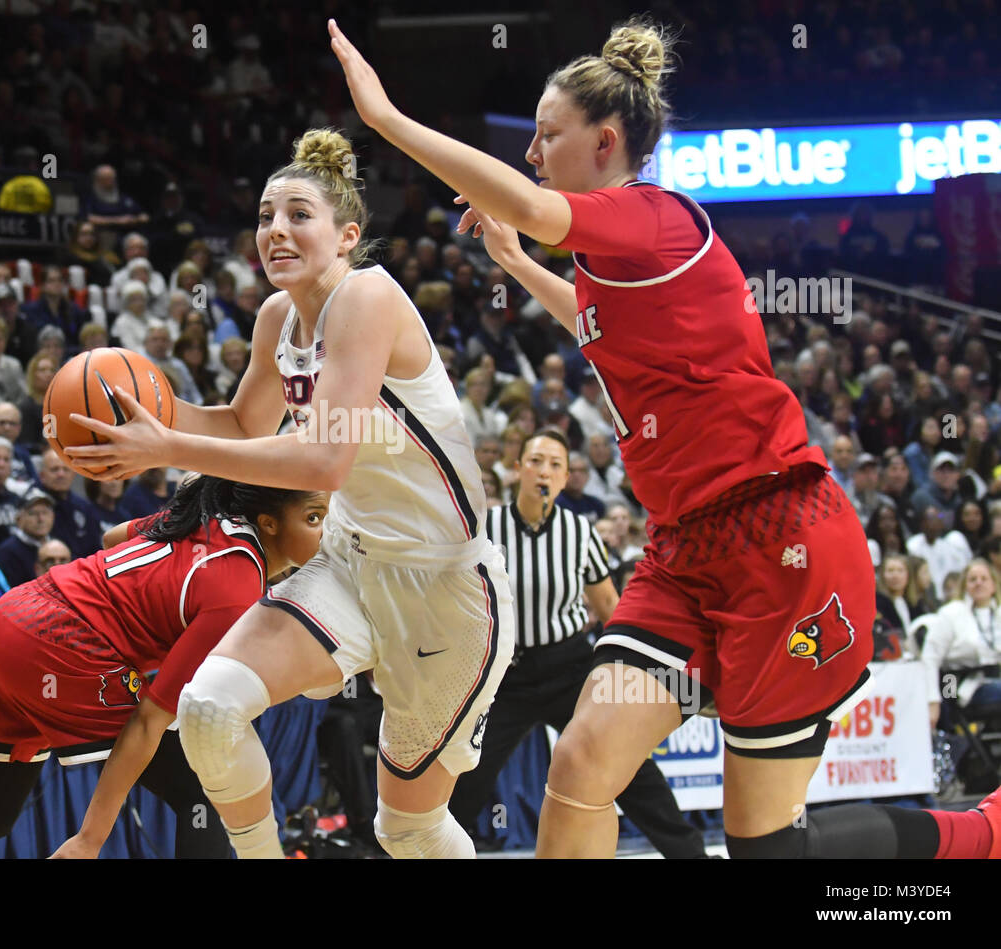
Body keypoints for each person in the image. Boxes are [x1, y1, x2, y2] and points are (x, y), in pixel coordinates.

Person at [326, 17, 1000, 858]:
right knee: (580, 763)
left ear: (604, 142)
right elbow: (597, 327)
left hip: (781, 543)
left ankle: (980, 831)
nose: (533, 152)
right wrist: (520, 266)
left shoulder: (654, 217)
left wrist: (387, 120)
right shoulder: (617, 264)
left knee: (766, 847)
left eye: (547, 135)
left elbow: (534, 205)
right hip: (685, 552)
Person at [65, 128, 517, 861]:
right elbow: (246, 423)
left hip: (445, 586)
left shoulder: (366, 296)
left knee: (406, 830)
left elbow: (324, 459)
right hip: (351, 561)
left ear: (347, 235)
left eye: (297, 213)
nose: (275, 229)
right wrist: (143, 412)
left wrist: (168, 449)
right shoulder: (278, 317)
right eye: (266, 216)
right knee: (208, 708)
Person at [0, 476, 328, 861]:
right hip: (63, 644)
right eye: (313, 518)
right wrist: (90, 839)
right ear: (267, 522)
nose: (324, 532)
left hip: (12, 615)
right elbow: (147, 721)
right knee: (202, 795)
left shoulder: (205, 520)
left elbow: (113, 537)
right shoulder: (235, 583)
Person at [450, 429, 705, 855]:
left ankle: (689, 853)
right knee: (467, 774)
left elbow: (608, 604)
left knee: (628, 767)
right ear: (517, 470)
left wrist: (636, 669)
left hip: (567, 669)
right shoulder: (485, 527)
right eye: (535, 461)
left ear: (567, 478)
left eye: (555, 465)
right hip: (504, 676)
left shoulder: (579, 532)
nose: (544, 472)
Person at [923, 559, 1001, 730]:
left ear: (994, 585)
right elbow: (930, 657)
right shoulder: (951, 613)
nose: (978, 583)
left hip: (992, 680)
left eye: (984, 578)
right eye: (973, 579)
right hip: (955, 686)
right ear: (965, 585)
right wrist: (932, 701)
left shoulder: (998, 612)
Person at [874, 554, 925, 659]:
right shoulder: (877, 604)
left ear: (908, 575)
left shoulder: (914, 604)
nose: (895, 575)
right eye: (890, 571)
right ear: (882, 575)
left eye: (900, 570)